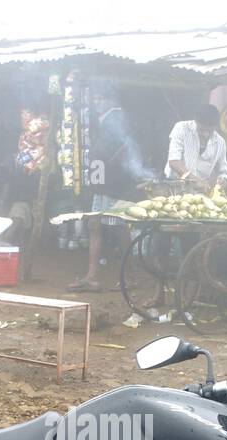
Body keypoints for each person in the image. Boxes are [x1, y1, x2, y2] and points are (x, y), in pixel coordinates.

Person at [68, 95, 146, 293]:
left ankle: (123, 277)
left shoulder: (114, 119)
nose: (96, 102)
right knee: (101, 227)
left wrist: (96, 182)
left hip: (111, 185)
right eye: (96, 99)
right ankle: (98, 277)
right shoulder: (111, 119)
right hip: (108, 184)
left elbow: (104, 155)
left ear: (111, 100)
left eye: (101, 99)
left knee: (115, 229)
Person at [165, 104, 227, 192]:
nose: (205, 134)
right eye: (202, 129)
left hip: (201, 194)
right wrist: (194, 179)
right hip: (174, 189)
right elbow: (174, 161)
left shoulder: (220, 142)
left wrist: (223, 181)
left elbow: (224, 171)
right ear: (196, 121)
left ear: (216, 127)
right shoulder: (181, 128)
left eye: (210, 130)